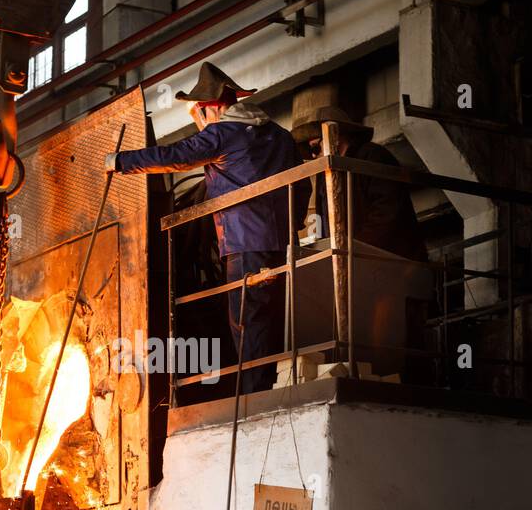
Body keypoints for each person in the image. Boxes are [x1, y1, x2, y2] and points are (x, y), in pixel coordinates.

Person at [108, 62, 303, 393]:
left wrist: (119, 162)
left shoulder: (222, 133)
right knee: (275, 319)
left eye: (197, 113)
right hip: (283, 245)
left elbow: (177, 155)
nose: (197, 122)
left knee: (246, 320)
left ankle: (253, 400)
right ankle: (271, 389)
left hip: (243, 245)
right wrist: (293, 224)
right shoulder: (280, 137)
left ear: (211, 106)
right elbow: (302, 186)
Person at [292, 104, 426, 263]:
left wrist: (356, 246)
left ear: (337, 136)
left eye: (315, 148)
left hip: (390, 259)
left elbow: (388, 211)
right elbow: (324, 222)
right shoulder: (324, 176)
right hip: (352, 260)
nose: (314, 156)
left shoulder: (373, 156)